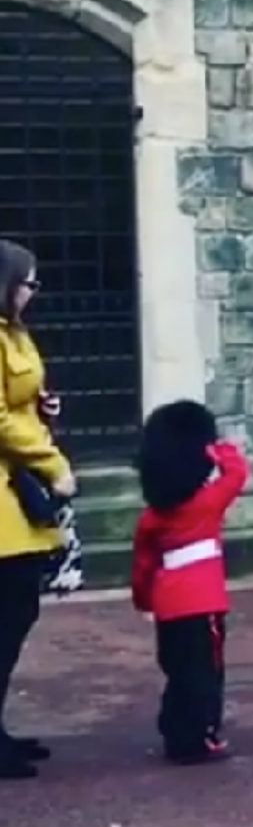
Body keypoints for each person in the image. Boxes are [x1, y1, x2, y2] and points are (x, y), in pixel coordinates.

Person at [130, 399, 250, 766]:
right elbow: (237, 472)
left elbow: (143, 568)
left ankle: (175, 730)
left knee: (178, 670)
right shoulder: (205, 504)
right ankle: (198, 738)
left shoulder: (150, 518)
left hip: (168, 606)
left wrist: (144, 602)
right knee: (205, 673)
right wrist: (215, 447)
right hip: (203, 605)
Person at [0, 240, 73, 780]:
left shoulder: (12, 333)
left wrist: (43, 406)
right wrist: (52, 463)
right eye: (28, 282)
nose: (32, 292)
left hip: (14, 491)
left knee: (16, 612)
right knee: (7, 613)